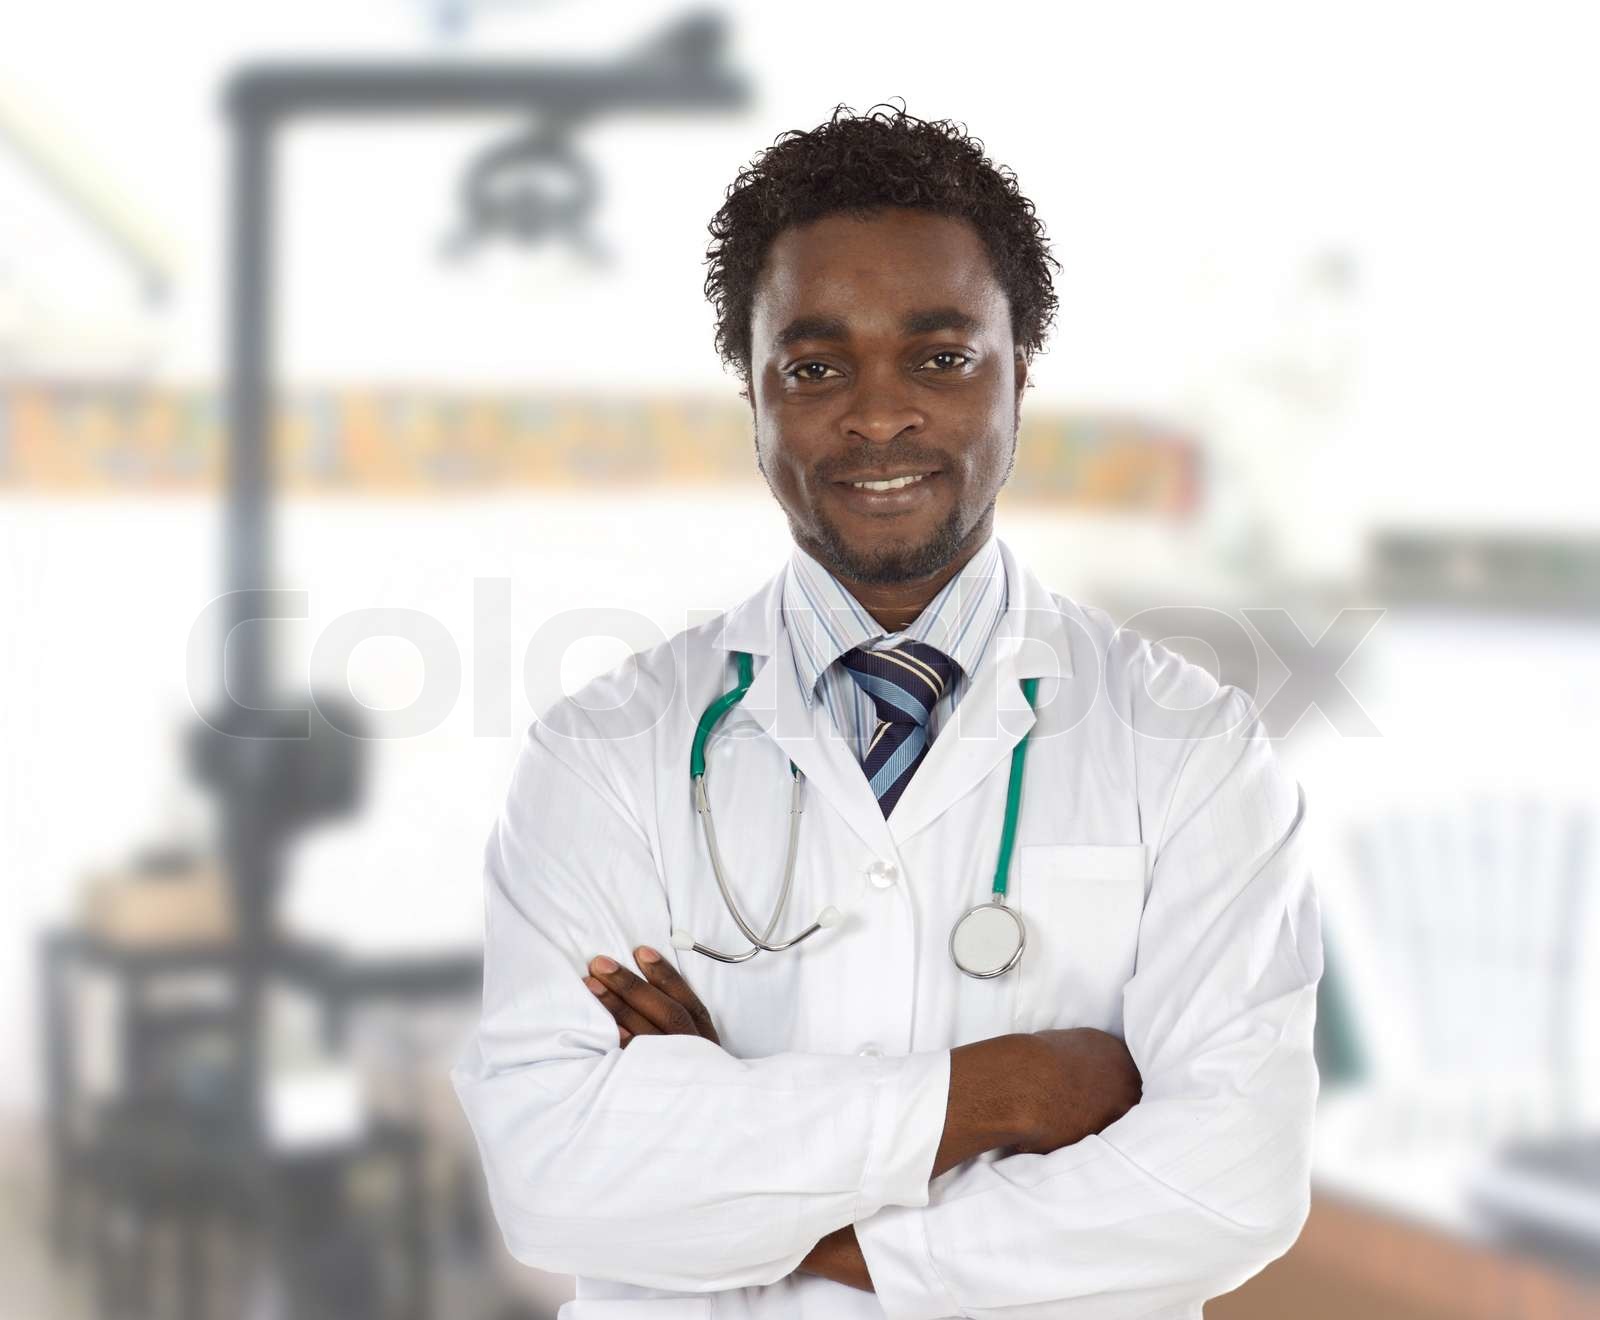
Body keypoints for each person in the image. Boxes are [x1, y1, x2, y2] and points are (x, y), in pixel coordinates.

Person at [452, 102, 1322, 1320]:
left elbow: (1232, 1182)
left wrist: (777, 1206)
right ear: (751, 400)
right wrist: (999, 1094)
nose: (875, 414)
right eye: (813, 368)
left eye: (940, 355)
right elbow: (552, 1180)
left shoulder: (1191, 749)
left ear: (1019, 374)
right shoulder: (601, 752)